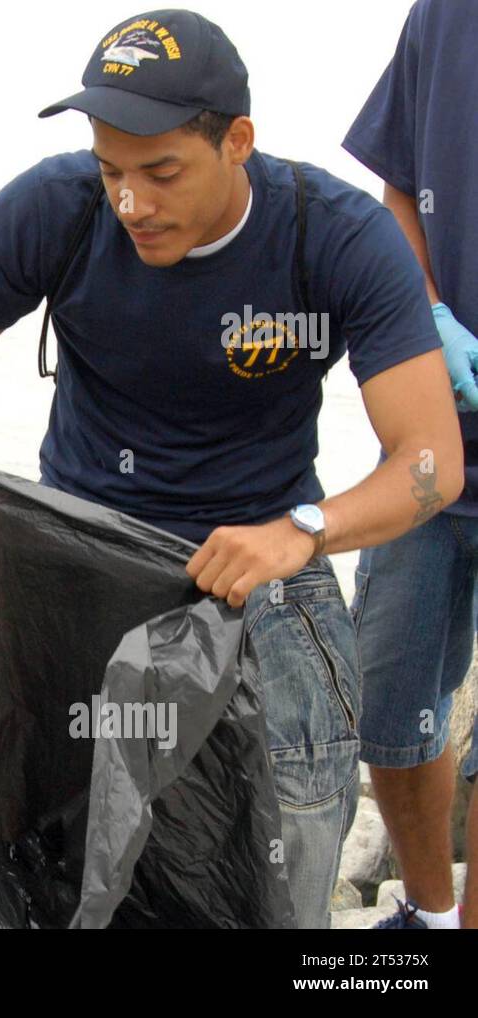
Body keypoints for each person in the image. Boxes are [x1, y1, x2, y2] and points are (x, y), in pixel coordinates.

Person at [0, 8, 463, 927]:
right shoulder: (59, 208)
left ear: (238, 143)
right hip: (79, 559)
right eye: (112, 172)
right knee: (35, 842)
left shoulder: (331, 237)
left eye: (161, 171)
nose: (130, 202)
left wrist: (303, 531)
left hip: (258, 563)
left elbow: (430, 464)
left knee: (278, 850)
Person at [342, 0, 478, 930]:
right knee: (387, 700)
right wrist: (425, 312)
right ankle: (429, 915)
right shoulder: (443, 14)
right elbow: (400, 188)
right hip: (438, 430)